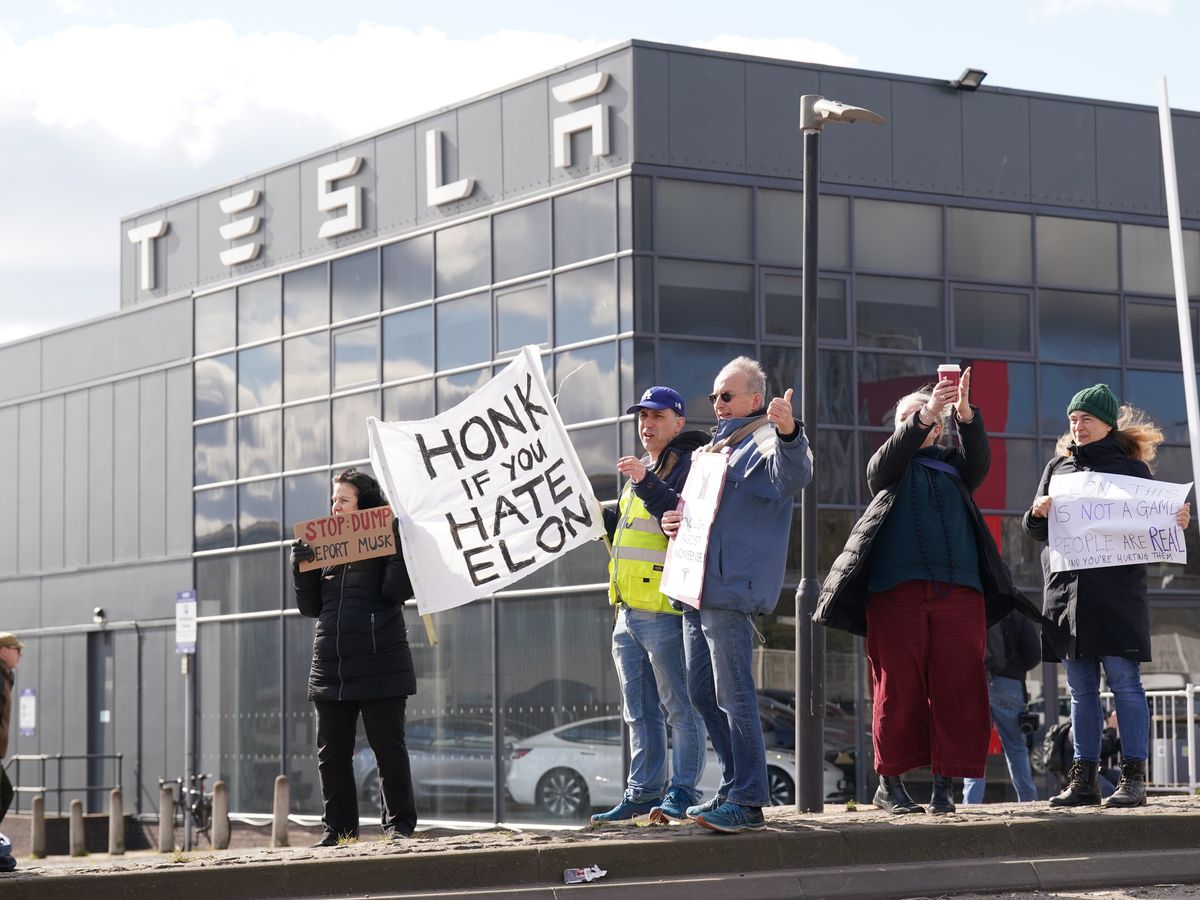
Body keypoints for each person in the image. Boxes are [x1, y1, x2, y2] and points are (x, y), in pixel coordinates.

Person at [815, 367, 1040, 815]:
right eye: (911, 417)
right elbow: (880, 467)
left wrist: (965, 412)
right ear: (902, 427)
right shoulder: (889, 467)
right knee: (896, 688)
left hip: (960, 595)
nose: (924, 419)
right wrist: (927, 410)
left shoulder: (955, 468)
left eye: (931, 418)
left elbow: (979, 460)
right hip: (896, 594)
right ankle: (890, 784)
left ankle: (945, 787)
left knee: (960, 688)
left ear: (941, 429)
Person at [660, 357, 812, 834]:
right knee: (703, 692)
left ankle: (748, 800)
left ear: (755, 399)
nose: (718, 404)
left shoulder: (764, 437)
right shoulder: (715, 448)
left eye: (727, 395)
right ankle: (733, 787)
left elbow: (793, 476)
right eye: (714, 397)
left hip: (728, 589)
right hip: (696, 588)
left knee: (733, 693)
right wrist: (674, 521)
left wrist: (790, 434)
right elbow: (702, 514)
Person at [1023, 384, 1190, 809]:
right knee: (1079, 692)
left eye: (1086, 419)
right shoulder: (1056, 469)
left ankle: (1134, 778)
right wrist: (1035, 514)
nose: (1077, 427)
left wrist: (1179, 521)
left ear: (1107, 424)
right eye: (1073, 420)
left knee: (1125, 685)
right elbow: (1036, 533)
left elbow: (1158, 531)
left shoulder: (1133, 472)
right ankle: (1084, 780)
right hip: (1067, 596)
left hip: (1115, 597)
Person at [591, 386, 710, 825]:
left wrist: (646, 481)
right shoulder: (641, 471)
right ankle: (642, 793)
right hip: (627, 611)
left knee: (681, 707)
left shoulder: (688, 465)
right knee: (639, 711)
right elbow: (633, 532)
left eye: (657, 416)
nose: (647, 424)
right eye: (642, 416)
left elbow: (681, 521)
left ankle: (682, 791)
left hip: (664, 609)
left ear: (678, 422)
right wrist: (600, 516)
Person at [291, 468, 418, 844]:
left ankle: (398, 827)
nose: (335, 506)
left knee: (388, 750)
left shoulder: (384, 537)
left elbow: (396, 592)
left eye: (343, 499)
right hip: (332, 666)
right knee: (332, 755)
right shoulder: (324, 547)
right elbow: (309, 606)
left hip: (380, 664)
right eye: (333, 500)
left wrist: (397, 548)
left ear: (363, 503)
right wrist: (300, 568)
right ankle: (339, 831)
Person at [962, 610, 1042, 804]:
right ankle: (1027, 800)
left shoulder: (975, 608)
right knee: (1015, 747)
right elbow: (1034, 654)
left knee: (975, 748)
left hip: (977, 683)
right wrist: (1016, 668)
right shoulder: (1015, 613)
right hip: (1010, 684)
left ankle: (971, 802)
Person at [0, 632, 22, 827]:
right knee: (4, 793)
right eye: (18, 650)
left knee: (4, 792)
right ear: (4, 651)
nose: (20, 654)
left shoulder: (5, 675)